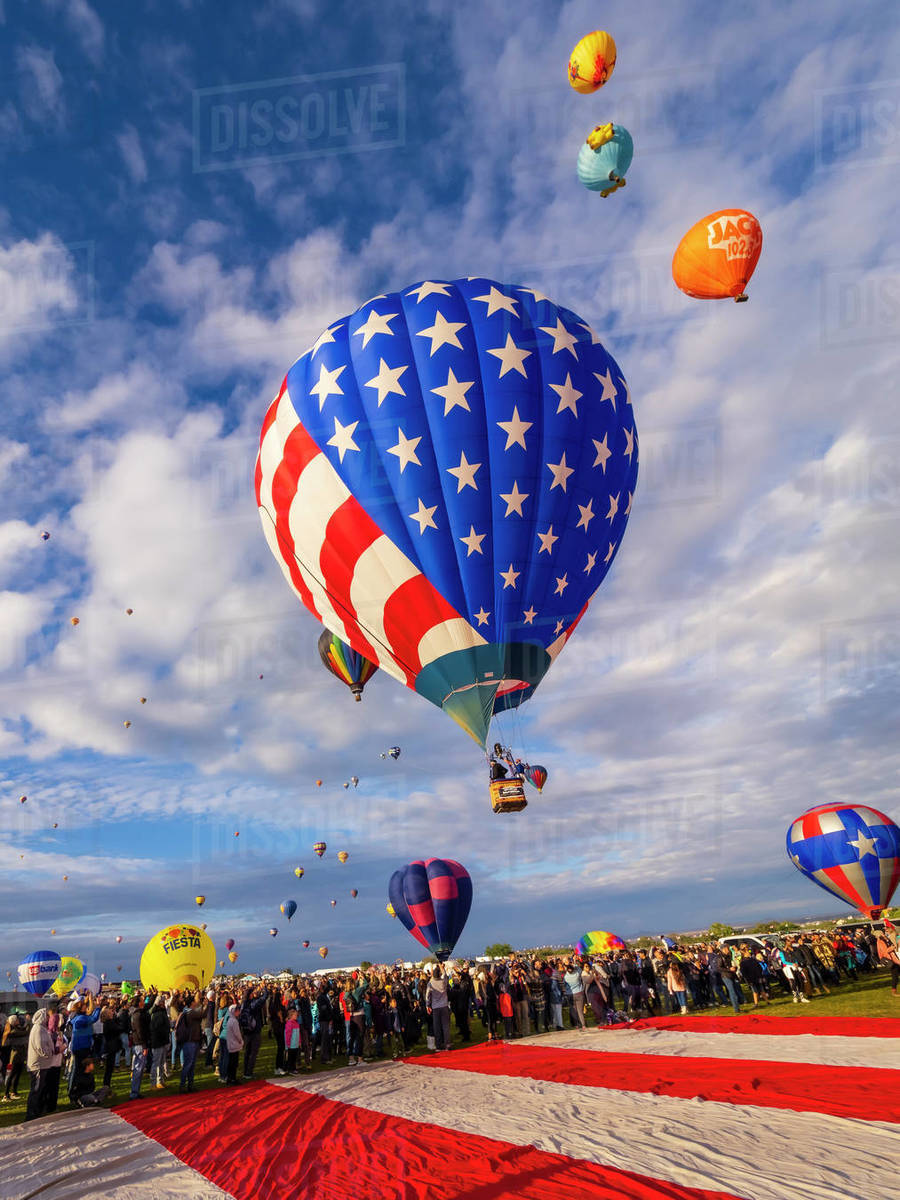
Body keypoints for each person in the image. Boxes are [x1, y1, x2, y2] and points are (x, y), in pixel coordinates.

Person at [26, 1008, 63, 1121]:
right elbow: (40, 1047)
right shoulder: (38, 1029)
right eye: (46, 1016)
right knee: (36, 1089)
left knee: (39, 1089)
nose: (48, 1018)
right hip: (38, 1065)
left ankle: (36, 1111)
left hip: (42, 1064)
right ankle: (31, 1114)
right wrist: (50, 1053)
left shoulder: (41, 1029)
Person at [175, 994, 203, 1093]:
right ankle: (183, 1085)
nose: (196, 1003)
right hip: (190, 1041)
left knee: (191, 1064)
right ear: (192, 1003)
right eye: (195, 1001)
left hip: (191, 1041)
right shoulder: (190, 1013)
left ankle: (189, 1085)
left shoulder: (185, 1012)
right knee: (188, 1064)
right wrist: (209, 1004)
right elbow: (202, 1014)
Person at [2, 1014, 29, 1101]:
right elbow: (26, 1032)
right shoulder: (13, 1032)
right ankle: (6, 1094)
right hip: (15, 1057)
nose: (19, 1020)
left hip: (20, 1056)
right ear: (14, 1022)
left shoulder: (16, 1029)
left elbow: (23, 1030)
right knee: (12, 1075)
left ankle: (14, 1092)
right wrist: (28, 1022)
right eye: (17, 1019)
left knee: (17, 1074)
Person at [426, 965, 452, 1051]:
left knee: (437, 1027)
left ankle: (438, 1045)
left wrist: (427, 1005)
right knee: (446, 1026)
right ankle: (447, 1044)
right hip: (444, 1005)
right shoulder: (443, 981)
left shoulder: (430, 983)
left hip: (435, 1007)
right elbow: (445, 975)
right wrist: (442, 967)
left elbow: (427, 996)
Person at [149, 996, 171, 1089]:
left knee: (161, 1062)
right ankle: (153, 1082)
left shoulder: (161, 1012)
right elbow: (157, 1029)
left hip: (161, 1040)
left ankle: (160, 1081)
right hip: (158, 1041)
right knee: (157, 1063)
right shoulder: (158, 1014)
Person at [224, 1003, 244, 1085]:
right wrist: (241, 1041)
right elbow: (237, 1034)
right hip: (234, 1044)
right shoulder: (234, 1021)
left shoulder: (229, 1020)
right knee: (234, 1063)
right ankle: (233, 1078)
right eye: (237, 1011)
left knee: (231, 1062)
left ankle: (230, 1078)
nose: (238, 1012)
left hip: (230, 1044)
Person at [563, 960, 586, 1028]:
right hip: (579, 993)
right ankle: (583, 1024)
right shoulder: (577, 974)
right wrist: (574, 964)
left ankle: (576, 1024)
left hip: (570, 994)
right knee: (580, 1011)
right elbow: (579, 968)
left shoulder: (565, 977)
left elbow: (563, 985)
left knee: (573, 1010)